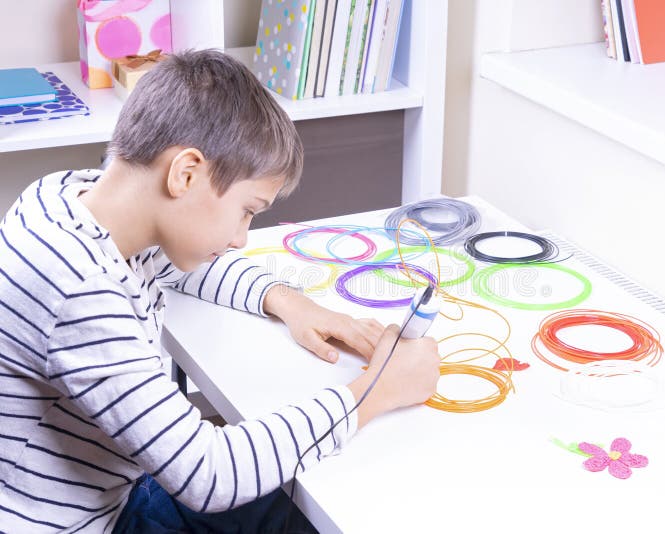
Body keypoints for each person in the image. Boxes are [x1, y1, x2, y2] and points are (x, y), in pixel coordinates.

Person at [0, 49, 440, 533]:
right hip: (83, 523)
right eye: (247, 210)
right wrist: (376, 391)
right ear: (185, 173)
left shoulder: (66, 198)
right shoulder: (76, 290)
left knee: (294, 501)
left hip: (113, 492)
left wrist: (286, 300)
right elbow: (207, 473)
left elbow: (181, 261)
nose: (240, 238)